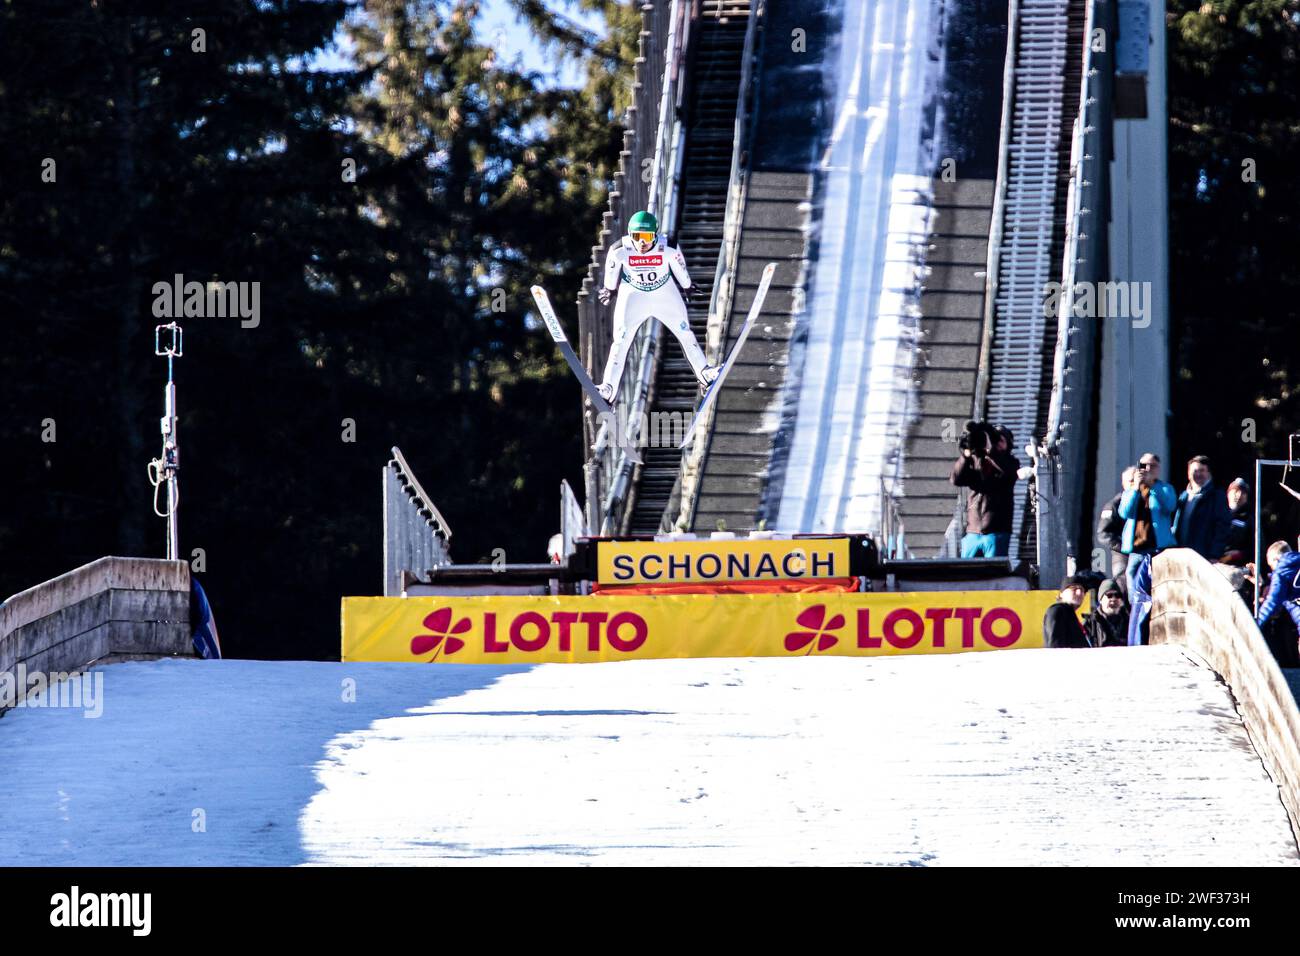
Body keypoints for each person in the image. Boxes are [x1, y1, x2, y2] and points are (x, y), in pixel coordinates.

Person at [596, 210, 718, 404]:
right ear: (630, 235)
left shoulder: (668, 246)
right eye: (637, 237)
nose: (642, 243)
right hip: (634, 294)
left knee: (684, 331)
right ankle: (609, 388)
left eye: (646, 237)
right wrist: (609, 289)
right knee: (621, 339)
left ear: (655, 235)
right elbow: (611, 270)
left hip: (663, 292)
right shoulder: (619, 249)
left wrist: (687, 285)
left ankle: (704, 373)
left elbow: (680, 267)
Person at [949, 420, 1019, 558]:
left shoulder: (1011, 462)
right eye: (994, 440)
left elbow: (1008, 473)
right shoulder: (976, 461)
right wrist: (966, 455)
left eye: (1000, 440)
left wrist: (990, 450)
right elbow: (956, 479)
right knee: (965, 570)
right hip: (973, 531)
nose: (996, 443)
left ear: (1009, 445)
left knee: (993, 569)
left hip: (996, 531)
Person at [1118, 452, 1177, 598]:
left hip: (1158, 547)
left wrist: (1153, 486)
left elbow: (1170, 506)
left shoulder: (1165, 488)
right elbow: (1124, 513)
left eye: (1152, 466)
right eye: (1144, 465)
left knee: (1159, 583)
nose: (1148, 469)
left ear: (1158, 469)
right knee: (1132, 580)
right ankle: (1135, 607)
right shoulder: (1131, 490)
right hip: (1137, 549)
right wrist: (1135, 489)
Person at [1172, 455, 1229, 561]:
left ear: (1208, 473)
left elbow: (1222, 528)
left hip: (1204, 557)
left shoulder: (1216, 496)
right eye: (1194, 471)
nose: (1198, 474)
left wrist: (1214, 554)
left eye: (1202, 470)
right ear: (1188, 474)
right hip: (1182, 555)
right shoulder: (1183, 497)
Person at [1096, 470, 1136, 592]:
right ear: (1124, 484)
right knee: (1124, 587)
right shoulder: (1114, 505)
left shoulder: (1147, 502)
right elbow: (1103, 534)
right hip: (1122, 556)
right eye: (1131, 481)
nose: (1135, 484)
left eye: (1137, 480)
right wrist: (1122, 547)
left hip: (1142, 552)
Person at [1253, 540, 1300, 635]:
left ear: (1276, 560)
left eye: (1271, 565)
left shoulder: (1281, 572)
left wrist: (1254, 625)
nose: (1272, 570)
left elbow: (1273, 602)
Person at [1043, 574, 1091, 647]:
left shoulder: (1069, 613)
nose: (1079, 593)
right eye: (1074, 588)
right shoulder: (1058, 611)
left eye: (1082, 590)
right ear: (1061, 594)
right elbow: (1055, 646)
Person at [1085, 578, 1130, 647]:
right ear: (1100, 600)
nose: (1113, 599)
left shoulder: (1129, 621)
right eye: (1109, 595)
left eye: (1117, 595)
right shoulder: (1090, 624)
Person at [1220, 478, 1253, 566]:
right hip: (1214, 562)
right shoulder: (1218, 513)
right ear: (1228, 493)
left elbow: (1256, 548)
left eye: (1243, 493)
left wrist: (1237, 555)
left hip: (1237, 567)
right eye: (1235, 491)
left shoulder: (1250, 519)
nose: (1239, 495)